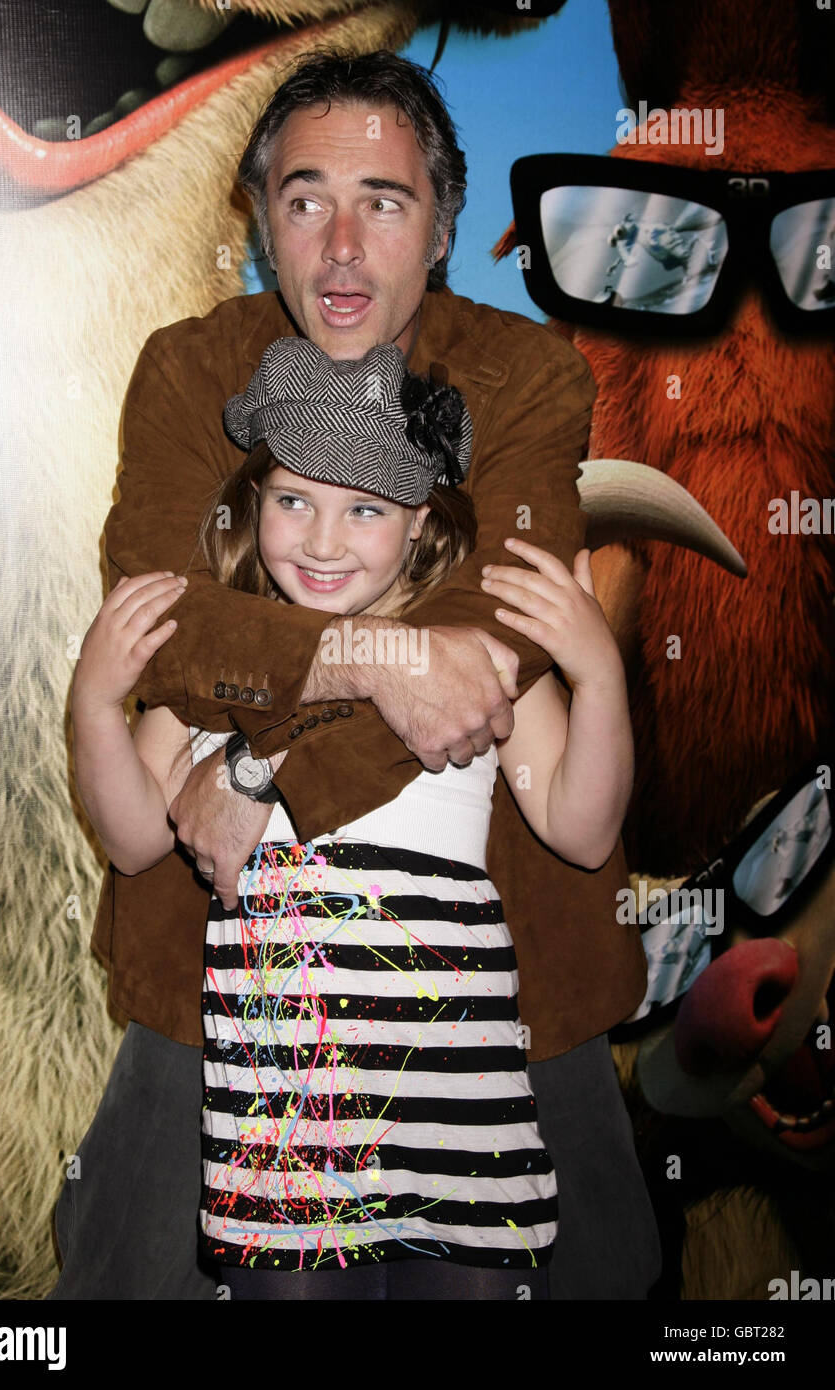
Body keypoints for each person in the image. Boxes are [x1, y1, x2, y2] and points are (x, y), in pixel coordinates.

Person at [50, 48, 660, 1301]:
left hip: (499, 969)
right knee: (134, 1284)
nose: (338, 246)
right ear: (258, 217)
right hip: (224, 961)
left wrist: (260, 765)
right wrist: (382, 654)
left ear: (441, 226)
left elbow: (492, 641)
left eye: (381, 201)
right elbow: (170, 631)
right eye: (303, 197)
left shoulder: (530, 373)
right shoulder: (185, 368)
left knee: (586, 1275)